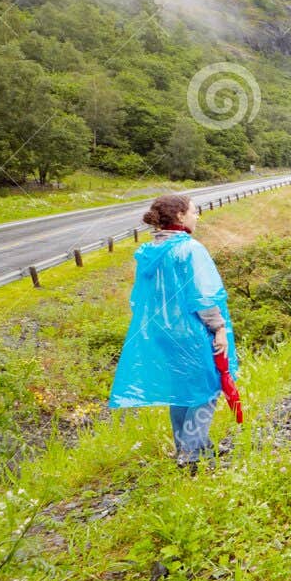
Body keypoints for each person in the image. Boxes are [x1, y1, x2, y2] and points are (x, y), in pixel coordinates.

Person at [109, 194, 238, 472]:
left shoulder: (149, 252)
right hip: (191, 333)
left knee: (181, 391)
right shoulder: (190, 249)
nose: (197, 216)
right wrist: (219, 329)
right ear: (179, 216)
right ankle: (192, 457)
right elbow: (203, 295)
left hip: (161, 334)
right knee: (207, 390)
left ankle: (187, 447)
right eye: (193, 211)